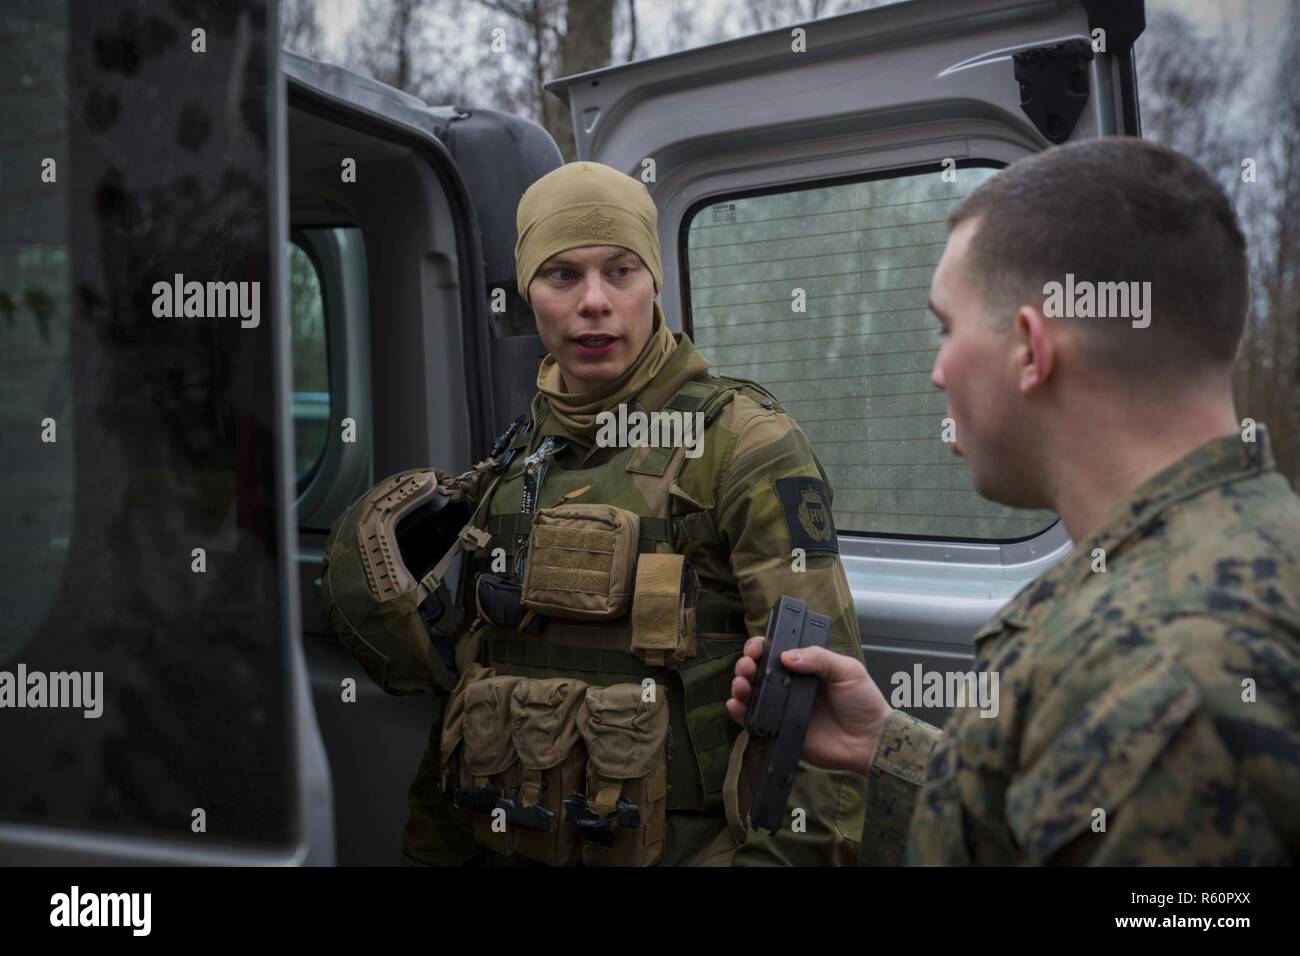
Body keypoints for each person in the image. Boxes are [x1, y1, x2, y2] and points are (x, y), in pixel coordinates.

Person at [728, 136, 1300, 865]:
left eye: (946, 326)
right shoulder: (1241, 549)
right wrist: (884, 746)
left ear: (1031, 349)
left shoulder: (1162, 683)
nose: (937, 372)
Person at [402, 161, 867, 866]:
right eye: (562, 275)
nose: (595, 301)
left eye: (621, 271)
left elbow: (817, 711)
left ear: (655, 284)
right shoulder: (518, 456)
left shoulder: (744, 443)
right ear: (529, 293)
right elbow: (470, 687)